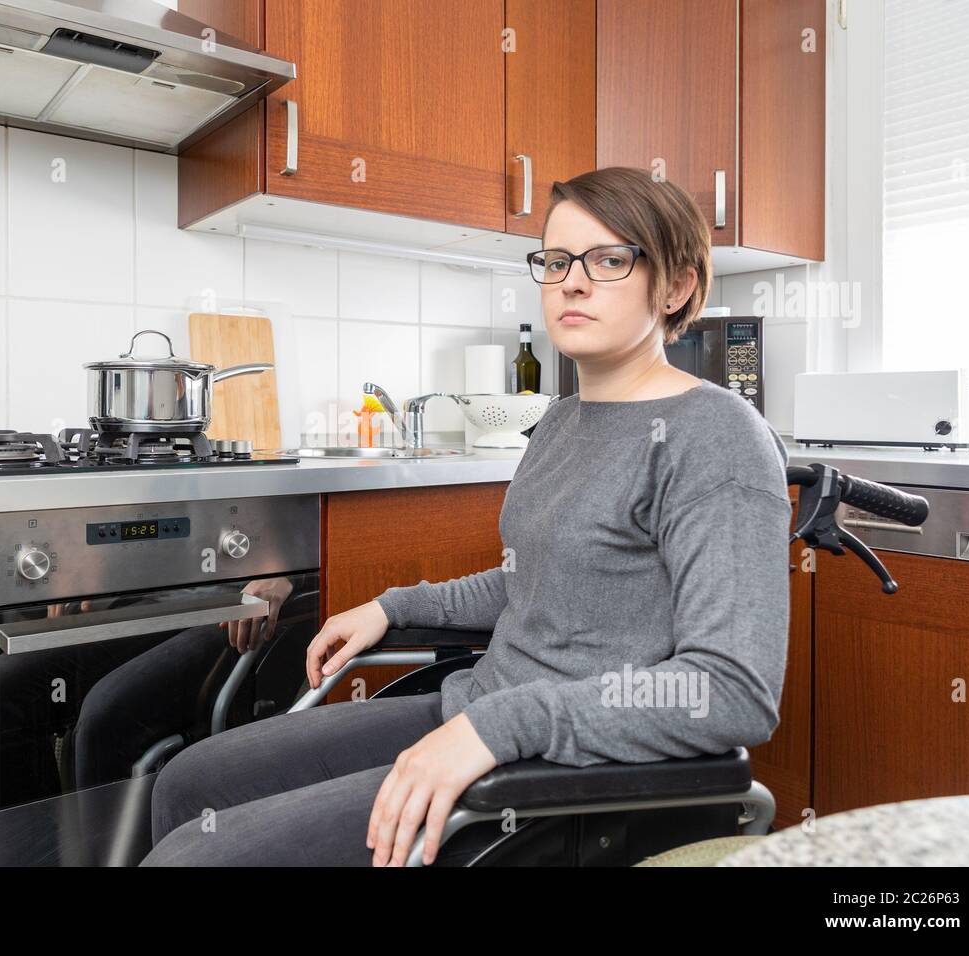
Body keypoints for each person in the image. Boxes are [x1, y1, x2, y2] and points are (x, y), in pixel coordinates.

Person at [141, 166, 792, 867]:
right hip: (481, 711)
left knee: (193, 860)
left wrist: (504, 725)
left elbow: (730, 691)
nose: (571, 282)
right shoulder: (561, 421)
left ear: (676, 286)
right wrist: (393, 607)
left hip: (564, 776)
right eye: (555, 261)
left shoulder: (716, 435)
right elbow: (532, 583)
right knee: (189, 784)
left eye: (609, 260)